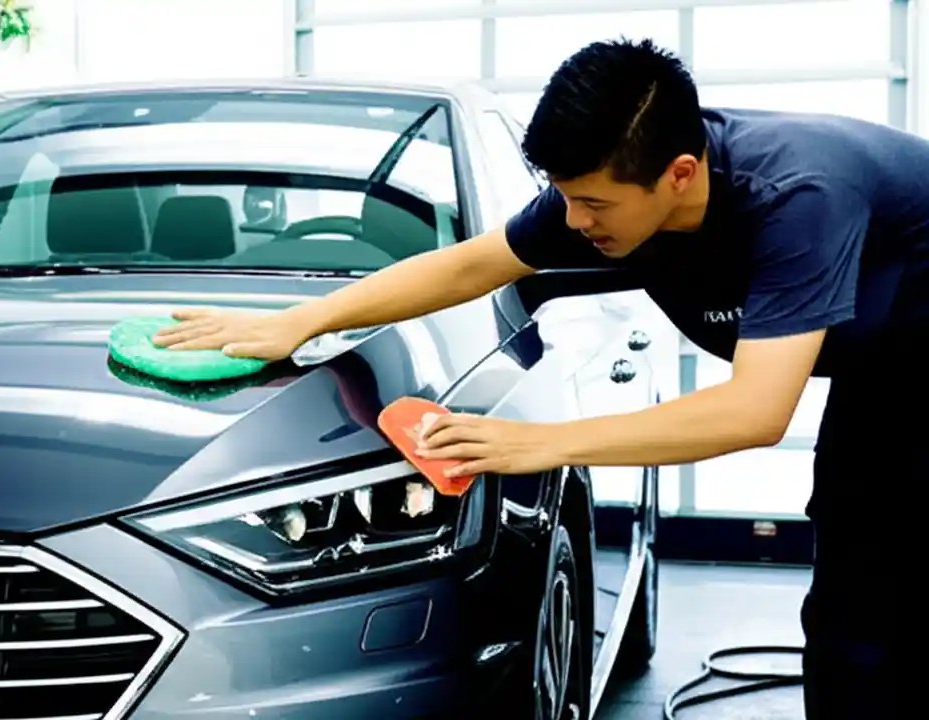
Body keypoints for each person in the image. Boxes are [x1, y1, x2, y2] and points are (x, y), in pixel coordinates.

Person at [153, 38, 917, 717]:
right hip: (884, 369)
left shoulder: (797, 197)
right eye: (565, 198)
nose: (575, 223)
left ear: (679, 175)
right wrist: (304, 321)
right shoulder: (619, 181)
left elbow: (755, 411)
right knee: (854, 605)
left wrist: (537, 443)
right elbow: (473, 264)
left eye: (591, 204)